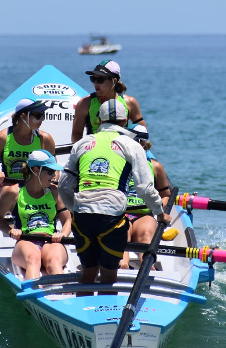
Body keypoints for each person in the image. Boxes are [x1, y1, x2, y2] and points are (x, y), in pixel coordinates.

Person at [59, 100, 170, 295]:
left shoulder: (82, 143)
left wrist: (74, 207)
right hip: (110, 219)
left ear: (98, 119)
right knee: (109, 277)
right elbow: (144, 188)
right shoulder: (132, 145)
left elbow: (64, 186)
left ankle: (84, 314)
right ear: (125, 120)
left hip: (82, 216)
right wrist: (160, 214)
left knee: (89, 273)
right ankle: (105, 319)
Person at [0, 149, 72, 280]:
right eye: (51, 172)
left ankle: (64, 296)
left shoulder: (55, 192)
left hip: (51, 240)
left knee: (54, 262)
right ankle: (33, 295)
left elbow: (68, 220)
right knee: (33, 260)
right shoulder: (13, 192)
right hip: (25, 240)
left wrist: (63, 234)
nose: (55, 176)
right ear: (36, 170)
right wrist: (10, 231)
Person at [120, 125, 172, 269]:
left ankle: (148, 267)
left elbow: (166, 196)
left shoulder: (155, 167)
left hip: (144, 215)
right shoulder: (117, 163)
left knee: (146, 236)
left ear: (143, 144)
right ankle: (122, 265)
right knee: (121, 237)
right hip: (121, 213)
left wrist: (160, 207)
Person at [0, 98, 57, 203]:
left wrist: (53, 180)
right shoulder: (1, 138)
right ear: (24, 116)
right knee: (7, 192)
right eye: (38, 116)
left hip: (36, 186)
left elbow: (54, 166)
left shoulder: (45, 139)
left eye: (43, 115)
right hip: (9, 185)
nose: (42, 120)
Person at [70, 60, 146, 143]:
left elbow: (142, 134)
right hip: (95, 152)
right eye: (93, 79)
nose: (95, 83)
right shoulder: (84, 103)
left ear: (114, 81)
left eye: (100, 80)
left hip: (122, 151)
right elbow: (76, 135)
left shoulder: (130, 102)